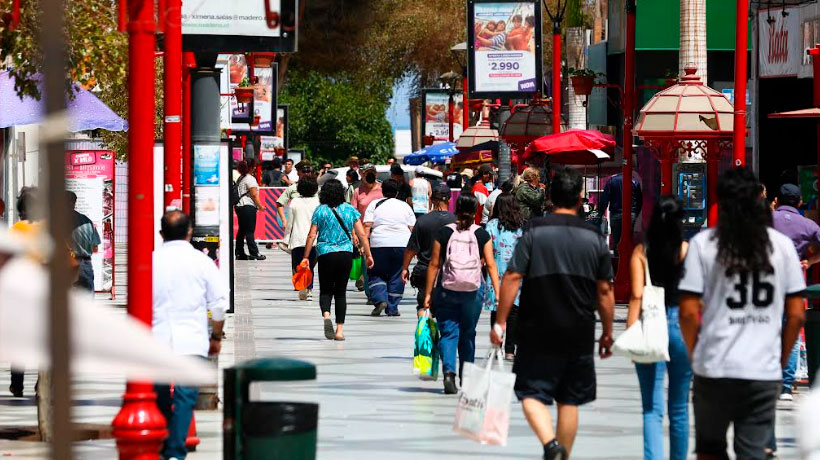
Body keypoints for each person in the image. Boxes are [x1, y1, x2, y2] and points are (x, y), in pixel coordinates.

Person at [678, 168, 806, 460]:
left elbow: (687, 312)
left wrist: (696, 354)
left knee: (709, 450)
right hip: (761, 369)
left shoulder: (704, 244)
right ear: (758, 200)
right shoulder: (782, 248)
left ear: (721, 202)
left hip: (714, 367)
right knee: (753, 452)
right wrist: (781, 360)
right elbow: (796, 314)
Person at [491, 167, 615, 460]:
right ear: (581, 197)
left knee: (530, 393)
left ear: (552, 195)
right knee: (569, 400)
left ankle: (550, 445)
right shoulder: (594, 237)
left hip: (537, 326)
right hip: (579, 327)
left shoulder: (534, 231)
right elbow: (606, 291)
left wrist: (499, 323)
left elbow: (511, 278)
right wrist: (608, 332)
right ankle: (562, 455)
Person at [152, 211, 228, 460]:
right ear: (189, 232)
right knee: (185, 397)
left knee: (159, 395)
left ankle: (165, 443)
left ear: (161, 233)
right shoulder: (201, 261)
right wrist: (216, 336)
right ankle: (175, 451)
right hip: (191, 338)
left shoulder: (150, 260)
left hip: (157, 338)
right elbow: (218, 304)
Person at [627, 196, 692, 460]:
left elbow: (636, 296)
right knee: (679, 407)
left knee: (651, 409)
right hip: (681, 327)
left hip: (651, 324)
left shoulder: (641, 252)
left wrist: (632, 331)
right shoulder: (687, 250)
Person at [424, 194, 500, 394]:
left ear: (455, 209)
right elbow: (491, 265)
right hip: (473, 290)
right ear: (476, 211)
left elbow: (434, 264)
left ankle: (449, 374)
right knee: (467, 333)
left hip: (447, 288)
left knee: (449, 332)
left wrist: (428, 293)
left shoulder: (444, 232)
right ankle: (467, 375)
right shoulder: (482, 234)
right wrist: (498, 292)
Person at [302, 179, 374, 341]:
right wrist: (368, 255)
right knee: (340, 293)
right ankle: (340, 331)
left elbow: (312, 235)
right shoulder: (350, 210)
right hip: (345, 254)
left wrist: (306, 257)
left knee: (326, 290)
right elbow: (362, 234)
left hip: (325, 254)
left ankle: (326, 316)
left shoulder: (320, 210)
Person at [772, 183, 820, 401]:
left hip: (767, 282)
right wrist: (808, 262)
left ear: (777, 201)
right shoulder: (808, 225)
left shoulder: (765, 220)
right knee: (790, 331)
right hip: (794, 282)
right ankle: (786, 386)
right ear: (800, 202)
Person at [363, 179, 416, 317]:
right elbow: (413, 229)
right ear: (397, 192)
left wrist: (364, 246)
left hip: (379, 244)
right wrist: (415, 248)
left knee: (376, 273)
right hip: (401, 244)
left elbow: (367, 227)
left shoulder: (374, 204)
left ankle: (380, 299)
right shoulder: (405, 206)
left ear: (382, 191)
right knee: (397, 274)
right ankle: (392, 307)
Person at [403, 183, 455, 315]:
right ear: (449, 199)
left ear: (431, 199)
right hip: (450, 272)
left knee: (423, 306)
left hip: (425, 270)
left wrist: (404, 268)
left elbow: (411, 249)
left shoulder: (422, 221)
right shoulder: (456, 222)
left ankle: (424, 329)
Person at [483, 193, 524, 360]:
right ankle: (510, 349)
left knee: (497, 311)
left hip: (496, 274)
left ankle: (497, 345)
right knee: (514, 312)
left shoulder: (492, 225)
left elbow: (487, 250)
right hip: (517, 274)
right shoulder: (522, 226)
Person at [288, 178, 321, 301]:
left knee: (298, 265)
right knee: (310, 265)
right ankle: (309, 289)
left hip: (297, 238)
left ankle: (301, 286)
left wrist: (287, 238)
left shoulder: (295, 201)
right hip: (314, 239)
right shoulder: (318, 202)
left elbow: (290, 223)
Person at [599, 172, 643, 254]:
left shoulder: (612, 180)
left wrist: (601, 212)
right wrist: (635, 213)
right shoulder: (634, 181)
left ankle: (617, 259)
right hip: (630, 213)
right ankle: (627, 259)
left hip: (615, 213)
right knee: (628, 239)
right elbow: (639, 200)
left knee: (616, 239)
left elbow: (605, 198)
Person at [67, 191, 101, 292]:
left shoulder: (59, 221)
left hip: (67, 264)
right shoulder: (87, 221)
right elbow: (95, 247)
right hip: (85, 265)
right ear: (74, 203)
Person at [234, 160, 267, 261]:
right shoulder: (250, 179)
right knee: (249, 231)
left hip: (239, 206)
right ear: (252, 168)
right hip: (248, 206)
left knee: (242, 231)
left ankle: (239, 252)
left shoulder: (241, 178)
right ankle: (254, 253)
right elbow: (253, 194)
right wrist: (260, 206)